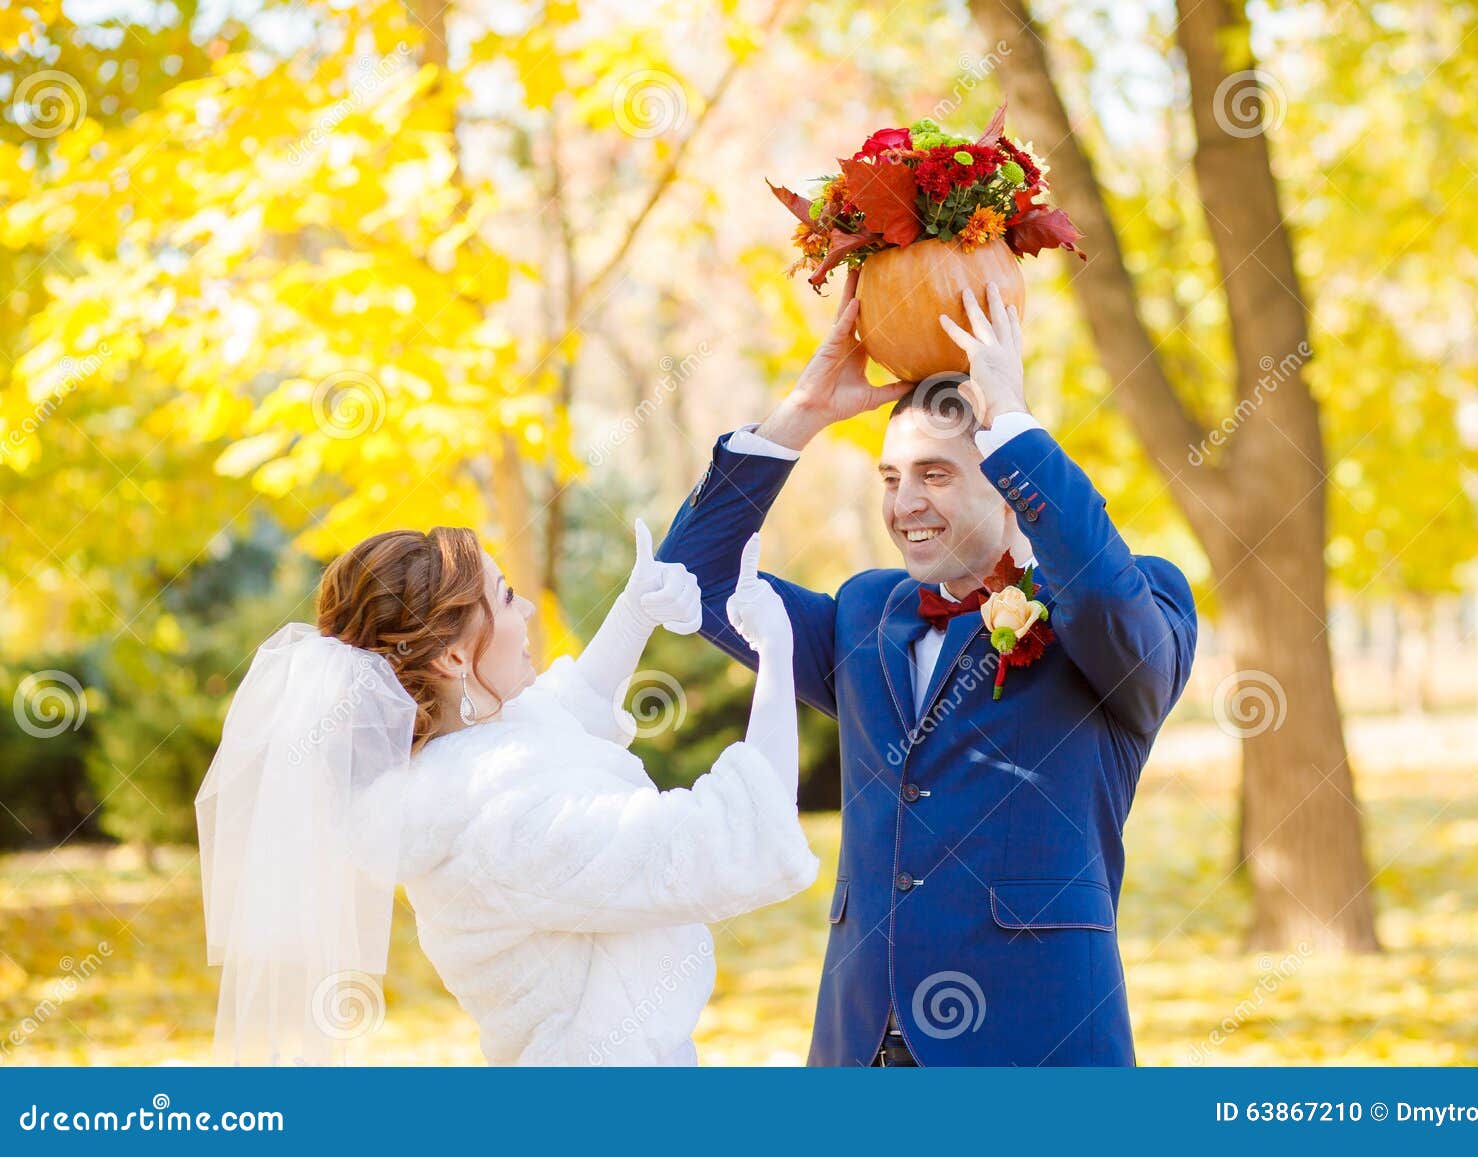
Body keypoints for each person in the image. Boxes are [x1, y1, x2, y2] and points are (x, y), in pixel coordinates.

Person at [658, 273, 1198, 1065]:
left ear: (1010, 488)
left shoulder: (1130, 608)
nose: (904, 503)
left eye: (935, 474)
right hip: (860, 1052)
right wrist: (798, 417)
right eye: (891, 477)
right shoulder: (864, 613)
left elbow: (1104, 598)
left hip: (1034, 1054)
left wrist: (1011, 421)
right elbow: (688, 580)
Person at [196, 521, 816, 1065]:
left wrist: (634, 612)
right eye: (507, 597)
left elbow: (561, 719)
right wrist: (776, 650)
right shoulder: (500, 823)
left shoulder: (461, 765)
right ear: (453, 659)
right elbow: (728, 839)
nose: (530, 613)